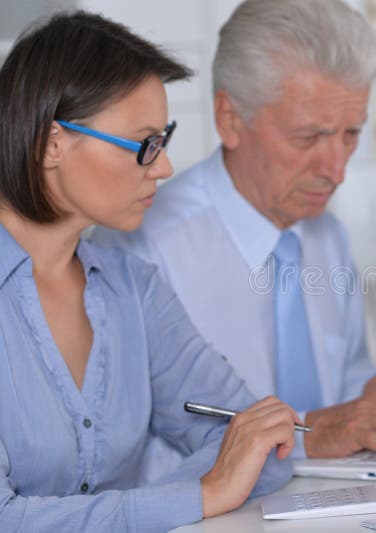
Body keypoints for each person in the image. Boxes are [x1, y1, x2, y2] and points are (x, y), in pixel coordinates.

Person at [92, 0, 376, 465]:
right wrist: (308, 434)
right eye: (309, 137)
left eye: (350, 135)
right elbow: (123, 455)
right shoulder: (139, 249)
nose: (336, 170)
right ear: (229, 118)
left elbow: (344, 373)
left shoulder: (327, 234)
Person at [0, 11, 306, 533]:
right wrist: (198, 495)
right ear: (53, 144)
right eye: (145, 144)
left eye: (163, 141)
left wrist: (199, 492)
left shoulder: (134, 288)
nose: (163, 166)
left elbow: (260, 440)